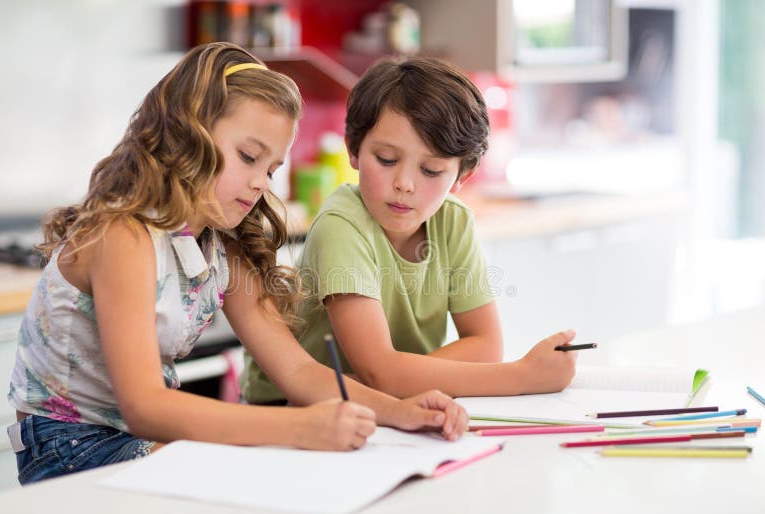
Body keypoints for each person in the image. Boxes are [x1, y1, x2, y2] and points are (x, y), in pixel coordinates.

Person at [6, 43, 468, 485]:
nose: (260, 185)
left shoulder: (222, 246)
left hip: (143, 438)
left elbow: (300, 372)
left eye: (271, 169)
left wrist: (399, 411)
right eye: (248, 157)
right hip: (70, 447)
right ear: (188, 132)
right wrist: (302, 428)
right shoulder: (124, 236)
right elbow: (144, 406)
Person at [241, 57, 578, 404]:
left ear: (463, 174)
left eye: (431, 170)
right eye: (386, 160)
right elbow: (380, 372)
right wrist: (522, 376)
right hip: (290, 404)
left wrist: (400, 378)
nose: (404, 184)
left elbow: (486, 346)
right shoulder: (341, 225)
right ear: (353, 149)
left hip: (379, 400)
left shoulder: (454, 221)